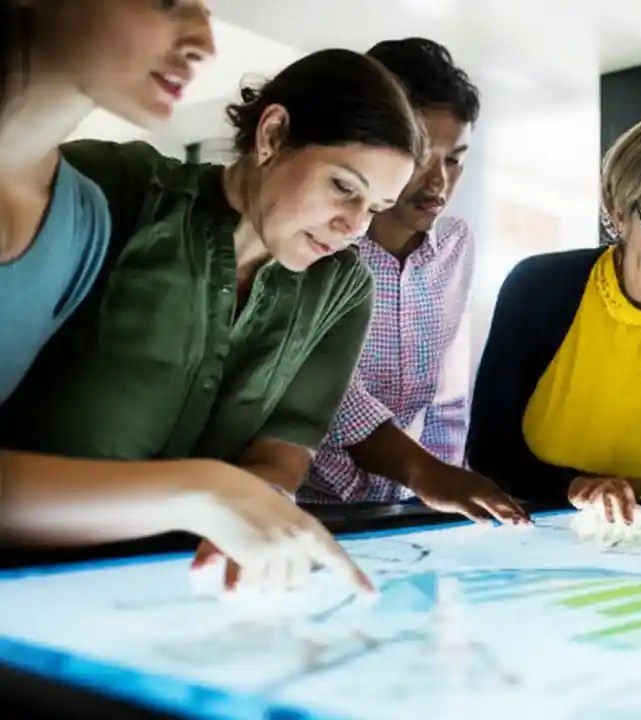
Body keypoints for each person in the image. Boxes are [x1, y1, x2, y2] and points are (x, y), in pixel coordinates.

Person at [1, 46, 426, 593]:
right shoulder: (108, 190)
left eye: (374, 207)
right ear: (271, 135)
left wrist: (258, 511)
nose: (353, 227)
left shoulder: (341, 288)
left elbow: (280, 455)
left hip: (173, 593)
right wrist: (203, 495)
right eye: (344, 186)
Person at [466, 111, 641, 522]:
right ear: (619, 213)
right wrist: (575, 487)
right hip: (533, 527)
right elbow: (488, 456)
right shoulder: (538, 287)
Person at [299, 38, 527, 525]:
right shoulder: (320, 242)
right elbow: (328, 390)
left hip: (401, 505)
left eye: (454, 158)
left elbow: (447, 397)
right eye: (423, 155)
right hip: (301, 503)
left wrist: (446, 493)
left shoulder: (456, 245)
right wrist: (430, 476)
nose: (439, 182)